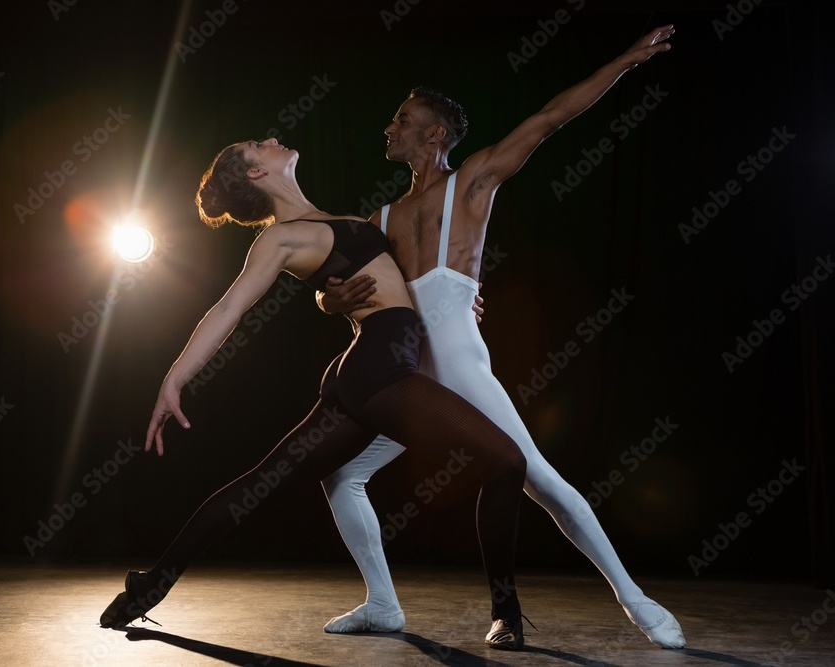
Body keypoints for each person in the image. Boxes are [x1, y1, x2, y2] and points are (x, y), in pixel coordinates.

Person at [317, 25, 686, 649]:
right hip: (404, 371)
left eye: (402, 119)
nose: (389, 128)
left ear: (435, 134)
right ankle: (383, 604)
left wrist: (624, 60)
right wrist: (330, 299)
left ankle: (635, 597)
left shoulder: (477, 178)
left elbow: (550, 117)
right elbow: (333, 282)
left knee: (536, 477)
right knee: (342, 475)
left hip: (457, 356)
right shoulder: (379, 219)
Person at [100, 137, 532, 649]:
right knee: (506, 462)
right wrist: (174, 379)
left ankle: (149, 585)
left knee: (258, 486)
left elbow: (397, 277)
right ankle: (507, 614)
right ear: (256, 172)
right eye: (259, 144)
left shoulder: (336, 219)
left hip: (368, 369)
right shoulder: (278, 240)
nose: (273, 140)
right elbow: (228, 310)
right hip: (379, 372)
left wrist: (458, 298)